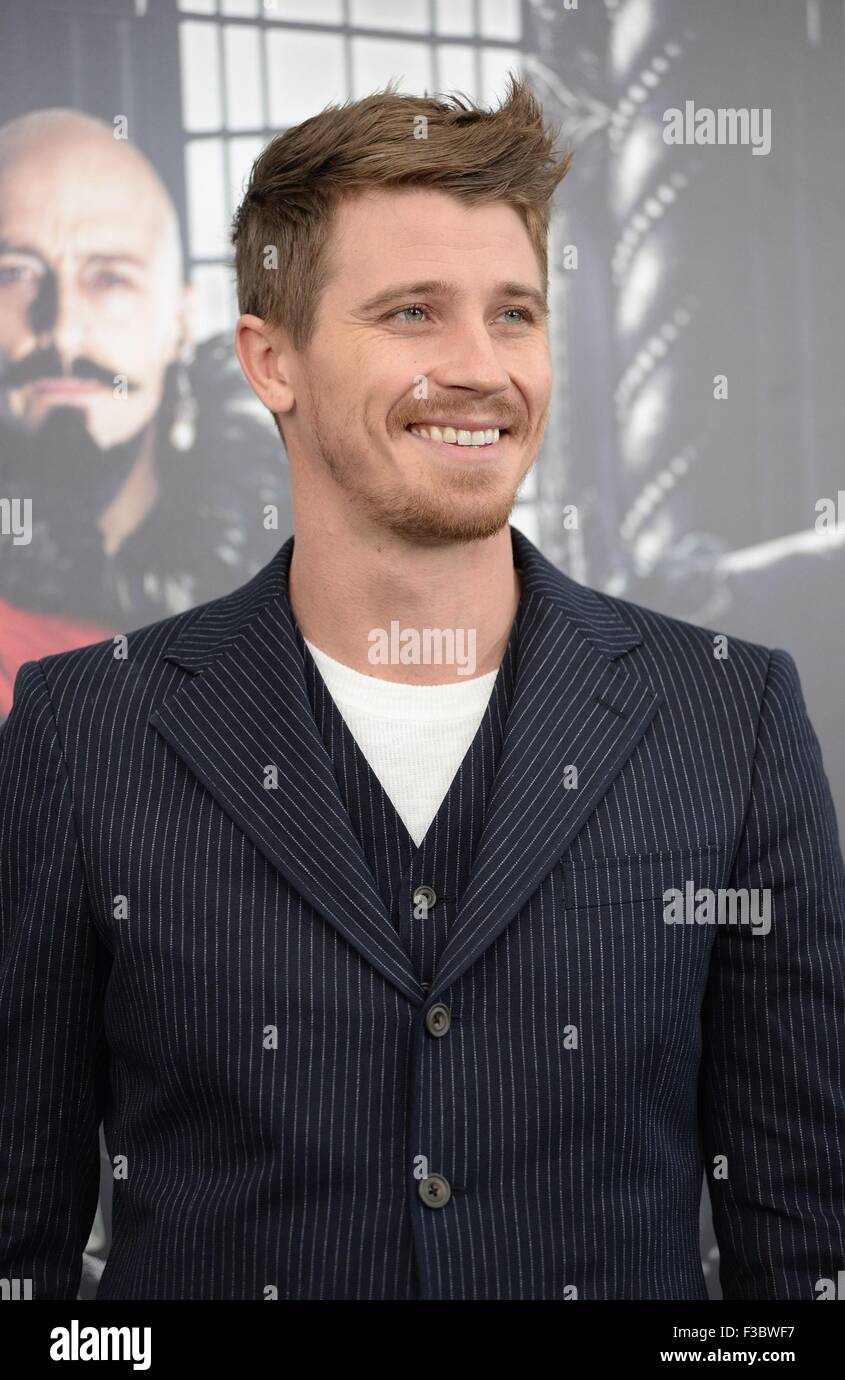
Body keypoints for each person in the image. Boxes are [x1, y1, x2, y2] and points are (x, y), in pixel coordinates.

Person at [0, 76, 842, 1301]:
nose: (477, 367)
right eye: (411, 312)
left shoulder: (733, 718)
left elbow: (803, 1250)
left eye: (514, 314)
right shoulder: (82, 731)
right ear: (269, 359)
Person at [0, 109, 286, 715]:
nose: (66, 333)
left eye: (110, 279)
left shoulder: (292, 578)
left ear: (180, 323)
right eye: (15, 275)